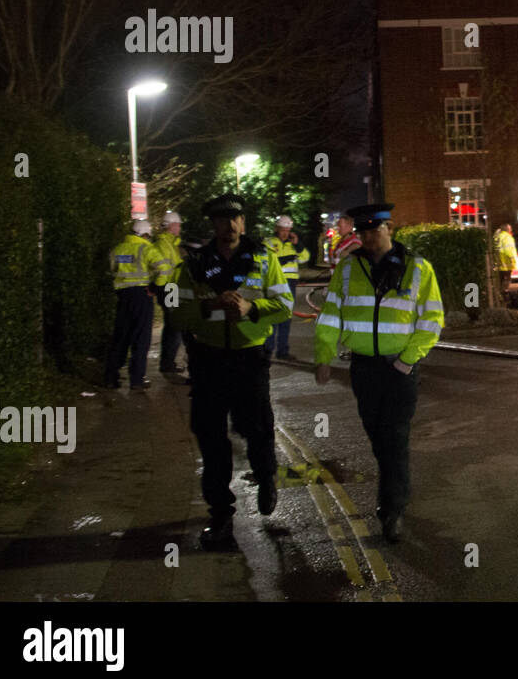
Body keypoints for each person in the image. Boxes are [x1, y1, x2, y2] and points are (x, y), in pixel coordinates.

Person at [313, 203, 445, 542]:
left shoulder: (418, 269)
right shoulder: (347, 269)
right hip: (364, 368)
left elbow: (432, 320)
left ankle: (392, 509)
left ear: (390, 228)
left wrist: (408, 359)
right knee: (379, 437)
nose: (369, 237)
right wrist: (324, 356)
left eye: (376, 229)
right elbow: (330, 315)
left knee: (395, 436)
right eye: (364, 231)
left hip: (399, 368)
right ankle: (394, 493)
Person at [169, 194, 292, 550]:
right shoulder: (194, 265)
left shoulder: (263, 260)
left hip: (249, 357)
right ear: (214, 225)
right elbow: (177, 311)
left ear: (244, 222)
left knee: (258, 427)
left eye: (236, 218)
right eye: (223, 219)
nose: (230, 225)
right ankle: (220, 514)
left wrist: (252, 306)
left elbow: (283, 307)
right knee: (210, 436)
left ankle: (267, 477)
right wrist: (207, 306)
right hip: (208, 360)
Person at [104, 219, 164, 390]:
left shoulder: (118, 249)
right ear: (145, 234)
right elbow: (164, 270)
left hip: (123, 296)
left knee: (120, 336)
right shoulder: (146, 249)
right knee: (141, 338)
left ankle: (110, 377)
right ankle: (137, 379)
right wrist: (155, 287)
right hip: (142, 296)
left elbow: (112, 270)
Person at [264, 214, 309, 361]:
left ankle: (282, 351)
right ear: (277, 228)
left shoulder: (293, 244)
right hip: (274, 282)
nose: (285, 232)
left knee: (285, 317)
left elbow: (305, 257)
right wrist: (282, 260)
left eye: (288, 229)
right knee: (272, 315)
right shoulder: (269, 242)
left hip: (290, 283)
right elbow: (265, 259)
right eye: (283, 229)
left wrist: (298, 245)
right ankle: (268, 350)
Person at [154, 210, 186, 377]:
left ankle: (168, 362)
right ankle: (167, 363)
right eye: (178, 225)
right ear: (171, 226)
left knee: (174, 326)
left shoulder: (172, 244)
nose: (179, 227)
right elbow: (163, 270)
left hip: (172, 288)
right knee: (174, 326)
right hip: (169, 288)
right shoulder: (164, 244)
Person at [493, 223, 516, 292]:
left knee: (500, 279)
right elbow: (508, 250)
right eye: (510, 228)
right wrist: (512, 259)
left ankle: (499, 293)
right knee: (507, 279)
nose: (511, 229)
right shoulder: (507, 237)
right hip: (506, 262)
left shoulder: (497, 236)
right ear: (508, 229)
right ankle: (504, 292)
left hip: (498, 262)